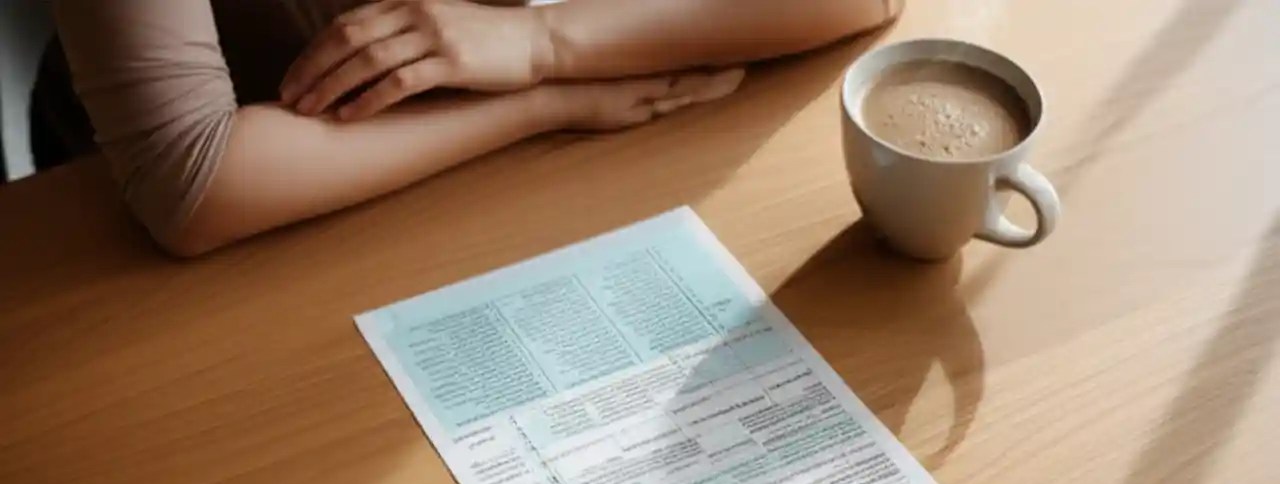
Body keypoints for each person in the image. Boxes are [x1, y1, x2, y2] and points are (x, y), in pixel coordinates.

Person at [48, 0, 901, 257]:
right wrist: (541, 98)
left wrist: (544, 41)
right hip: (278, 188)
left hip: (500, 190)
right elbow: (190, 181)